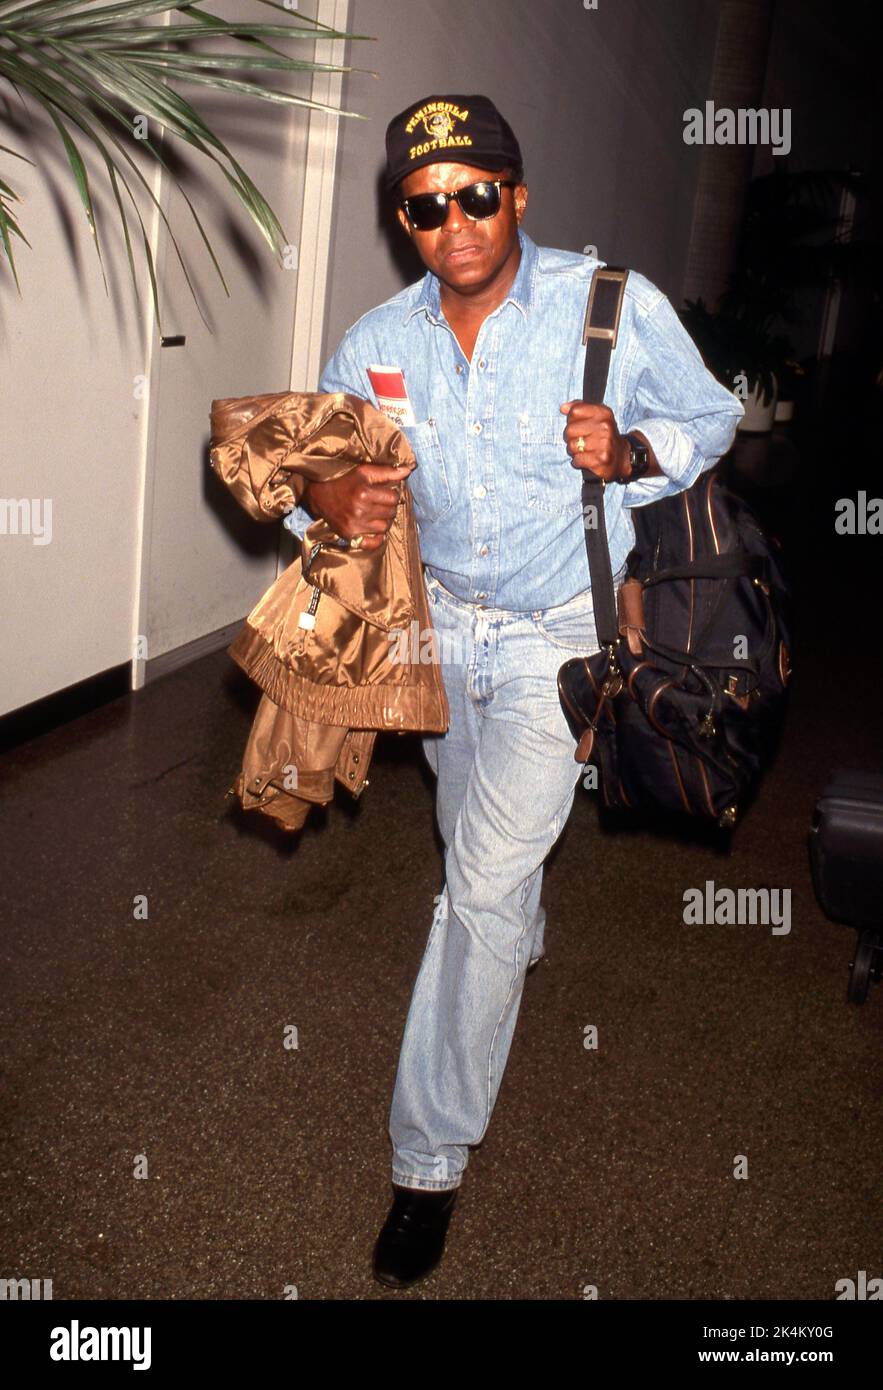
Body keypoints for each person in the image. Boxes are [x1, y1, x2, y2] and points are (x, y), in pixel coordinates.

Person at [282, 93, 744, 1288]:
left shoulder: (608, 304)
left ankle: (426, 1160)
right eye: (426, 206)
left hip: (560, 637)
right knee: (468, 848)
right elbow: (312, 474)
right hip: (440, 641)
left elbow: (712, 414)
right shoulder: (377, 336)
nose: (456, 222)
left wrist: (633, 453)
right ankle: (507, 931)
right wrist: (324, 500)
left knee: (477, 890)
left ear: (517, 196)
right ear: (404, 220)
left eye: (477, 194)